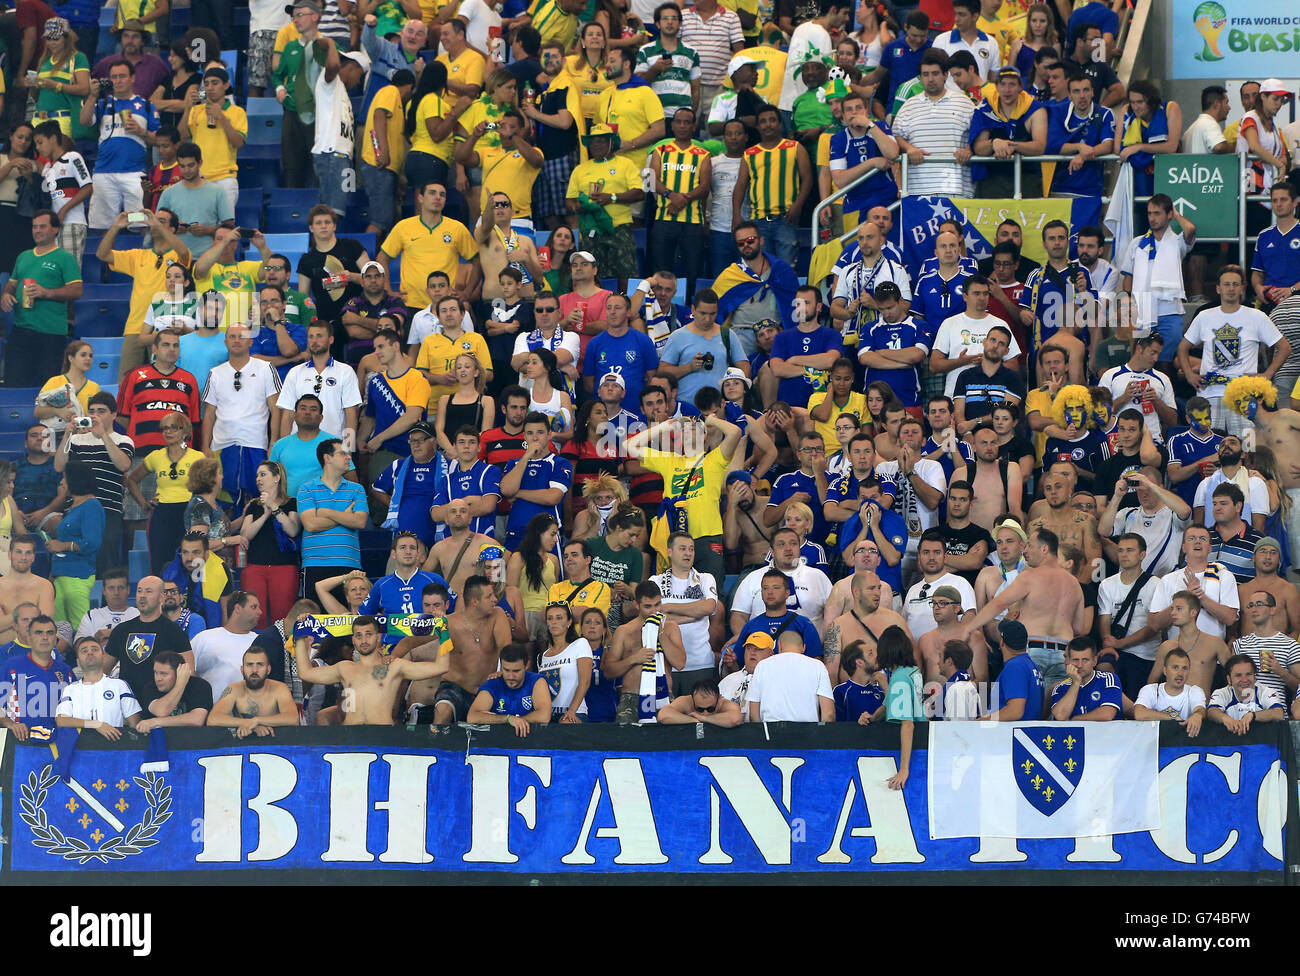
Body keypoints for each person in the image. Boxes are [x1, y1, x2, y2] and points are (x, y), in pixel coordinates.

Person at [1180, 266, 1290, 435]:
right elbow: (1183, 348)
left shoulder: (1256, 316)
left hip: (1244, 396)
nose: (1231, 288)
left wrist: (1267, 375)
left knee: (1248, 448)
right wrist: (1189, 374)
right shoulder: (1204, 316)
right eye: (1226, 284)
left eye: (1235, 284)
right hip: (1209, 393)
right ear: (1218, 288)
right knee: (1211, 447)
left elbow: (1284, 347)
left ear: (1242, 288)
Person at [198, 325, 281, 511]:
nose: (236, 340)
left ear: (250, 342)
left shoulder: (265, 368)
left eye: (241, 337)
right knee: (223, 501)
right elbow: (209, 414)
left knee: (258, 499)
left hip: (256, 444)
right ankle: (228, 539)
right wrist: (205, 446)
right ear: (225, 341)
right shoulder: (215, 373)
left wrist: (274, 441)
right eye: (232, 337)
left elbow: (276, 409)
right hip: (222, 446)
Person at [2, 209, 84, 385]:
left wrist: (47, 292)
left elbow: (77, 290)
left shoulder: (65, 258)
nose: (37, 230)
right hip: (20, 331)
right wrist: (6, 295)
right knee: (14, 385)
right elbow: (12, 284)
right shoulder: (23, 256)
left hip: (50, 334)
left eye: (42, 226)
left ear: (55, 230)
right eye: (34, 227)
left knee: (47, 389)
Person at [565, 125, 644, 285]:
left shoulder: (625, 164)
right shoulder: (580, 169)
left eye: (602, 141)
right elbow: (569, 201)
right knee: (591, 273)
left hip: (619, 227)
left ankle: (626, 305)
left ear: (611, 143)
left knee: (625, 271)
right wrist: (580, 207)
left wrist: (612, 198)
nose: (597, 145)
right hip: (591, 228)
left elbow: (639, 193)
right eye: (593, 141)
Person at [103, 576, 194, 711]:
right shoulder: (122, 630)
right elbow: (102, 671)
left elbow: (189, 671)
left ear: (162, 597)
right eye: (139, 591)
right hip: (126, 708)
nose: (142, 596)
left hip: (160, 706)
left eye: (149, 591)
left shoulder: (174, 631)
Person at [891, 50, 975, 197]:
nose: (930, 79)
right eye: (925, 74)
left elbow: (979, 135)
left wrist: (969, 149)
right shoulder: (908, 106)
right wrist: (909, 148)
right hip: (917, 191)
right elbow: (895, 136)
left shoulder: (964, 102)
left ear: (945, 75)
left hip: (957, 189)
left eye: (935, 73)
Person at [298, 437, 369, 602]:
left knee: (348, 622)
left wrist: (326, 512)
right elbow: (311, 524)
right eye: (343, 453)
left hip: (349, 563)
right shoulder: (306, 489)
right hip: (315, 564)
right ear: (327, 458)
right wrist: (345, 516)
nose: (349, 457)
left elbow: (360, 521)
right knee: (316, 621)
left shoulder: (357, 489)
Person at [234, 460, 301, 629]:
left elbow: (293, 530)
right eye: (257, 475)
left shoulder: (291, 503)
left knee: (283, 617)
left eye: (263, 474)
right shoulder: (253, 505)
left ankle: (283, 654)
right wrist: (265, 515)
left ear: (277, 477)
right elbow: (245, 535)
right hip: (255, 567)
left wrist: (275, 507)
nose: (258, 479)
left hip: (284, 567)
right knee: (255, 618)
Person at [274, 323, 363, 446]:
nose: (314, 340)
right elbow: (288, 414)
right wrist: (284, 448)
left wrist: (349, 448)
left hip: (333, 446)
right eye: (311, 336)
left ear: (331, 339)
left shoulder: (345, 371)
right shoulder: (295, 372)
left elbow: (351, 413)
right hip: (299, 444)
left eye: (319, 336)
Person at [56, 637, 142, 738]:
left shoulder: (119, 685)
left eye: (95, 649)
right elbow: (61, 720)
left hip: (113, 748)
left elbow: (134, 723)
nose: (90, 653)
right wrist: (96, 724)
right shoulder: (70, 689)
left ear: (103, 657)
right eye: (84, 651)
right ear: (78, 662)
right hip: (82, 750)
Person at [206, 646, 301, 736]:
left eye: (260, 664)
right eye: (249, 665)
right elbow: (213, 719)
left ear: (268, 669)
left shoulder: (280, 688)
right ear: (242, 669)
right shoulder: (233, 689)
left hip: (274, 743)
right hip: (242, 744)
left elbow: (293, 719)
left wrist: (257, 720)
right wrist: (248, 723)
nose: (254, 670)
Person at [748, 628, 835, 723]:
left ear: (779, 646)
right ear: (803, 648)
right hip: (808, 733)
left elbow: (753, 713)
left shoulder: (763, 665)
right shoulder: (818, 666)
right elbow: (829, 714)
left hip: (771, 731)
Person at [466, 642, 552, 736]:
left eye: (516, 671)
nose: (511, 676)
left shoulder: (536, 681)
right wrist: (508, 719)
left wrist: (517, 721)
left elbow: (544, 716)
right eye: (506, 670)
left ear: (527, 665)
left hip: (532, 743)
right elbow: (472, 717)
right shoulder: (493, 684)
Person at [1231, 588, 1300, 702]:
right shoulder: (1240, 644)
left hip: (1276, 713)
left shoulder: (1290, 645)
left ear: (1272, 610)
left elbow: (1299, 688)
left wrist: (1281, 671)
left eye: (1259, 604)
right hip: (1244, 711)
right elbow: (1230, 683)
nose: (1254, 609)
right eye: (1250, 605)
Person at [191, 591, 262, 694]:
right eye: (254, 607)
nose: (260, 612)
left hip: (250, 707)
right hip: (210, 707)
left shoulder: (260, 641)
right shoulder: (204, 638)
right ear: (237, 608)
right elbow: (187, 670)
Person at [1132, 646, 1207, 733]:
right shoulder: (1151, 690)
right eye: (1175, 667)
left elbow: (1200, 710)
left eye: (1184, 668)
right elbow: (1139, 714)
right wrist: (1173, 718)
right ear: (1165, 670)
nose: (1180, 673)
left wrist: (1198, 715)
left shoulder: (1195, 691)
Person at [1207, 654, 1287, 734]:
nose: (1244, 680)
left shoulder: (1266, 692)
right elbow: (1211, 711)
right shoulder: (1221, 693)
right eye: (1238, 675)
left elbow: (1279, 713)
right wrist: (1225, 718)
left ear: (1254, 676)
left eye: (1248, 674)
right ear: (1229, 679)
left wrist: (1252, 716)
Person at [135, 652, 213, 732]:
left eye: (164, 674)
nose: (158, 678)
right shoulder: (150, 687)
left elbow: (197, 719)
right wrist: (179, 685)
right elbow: (161, 711)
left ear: (179, 673)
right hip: (160, 740)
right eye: (155, 672)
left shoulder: (200, 685)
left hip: (193, 741)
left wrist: (155, 722)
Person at [1048, 638, 1121, 720]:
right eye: (1075, 660)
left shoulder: (1107, 679)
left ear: (1095, 661)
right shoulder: (1060, 688)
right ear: (1068, 661)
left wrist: (1076, 719)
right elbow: (1060, 716)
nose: (1079, 665)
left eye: (1085, 660)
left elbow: (1107, 714)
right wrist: (1076, 683)